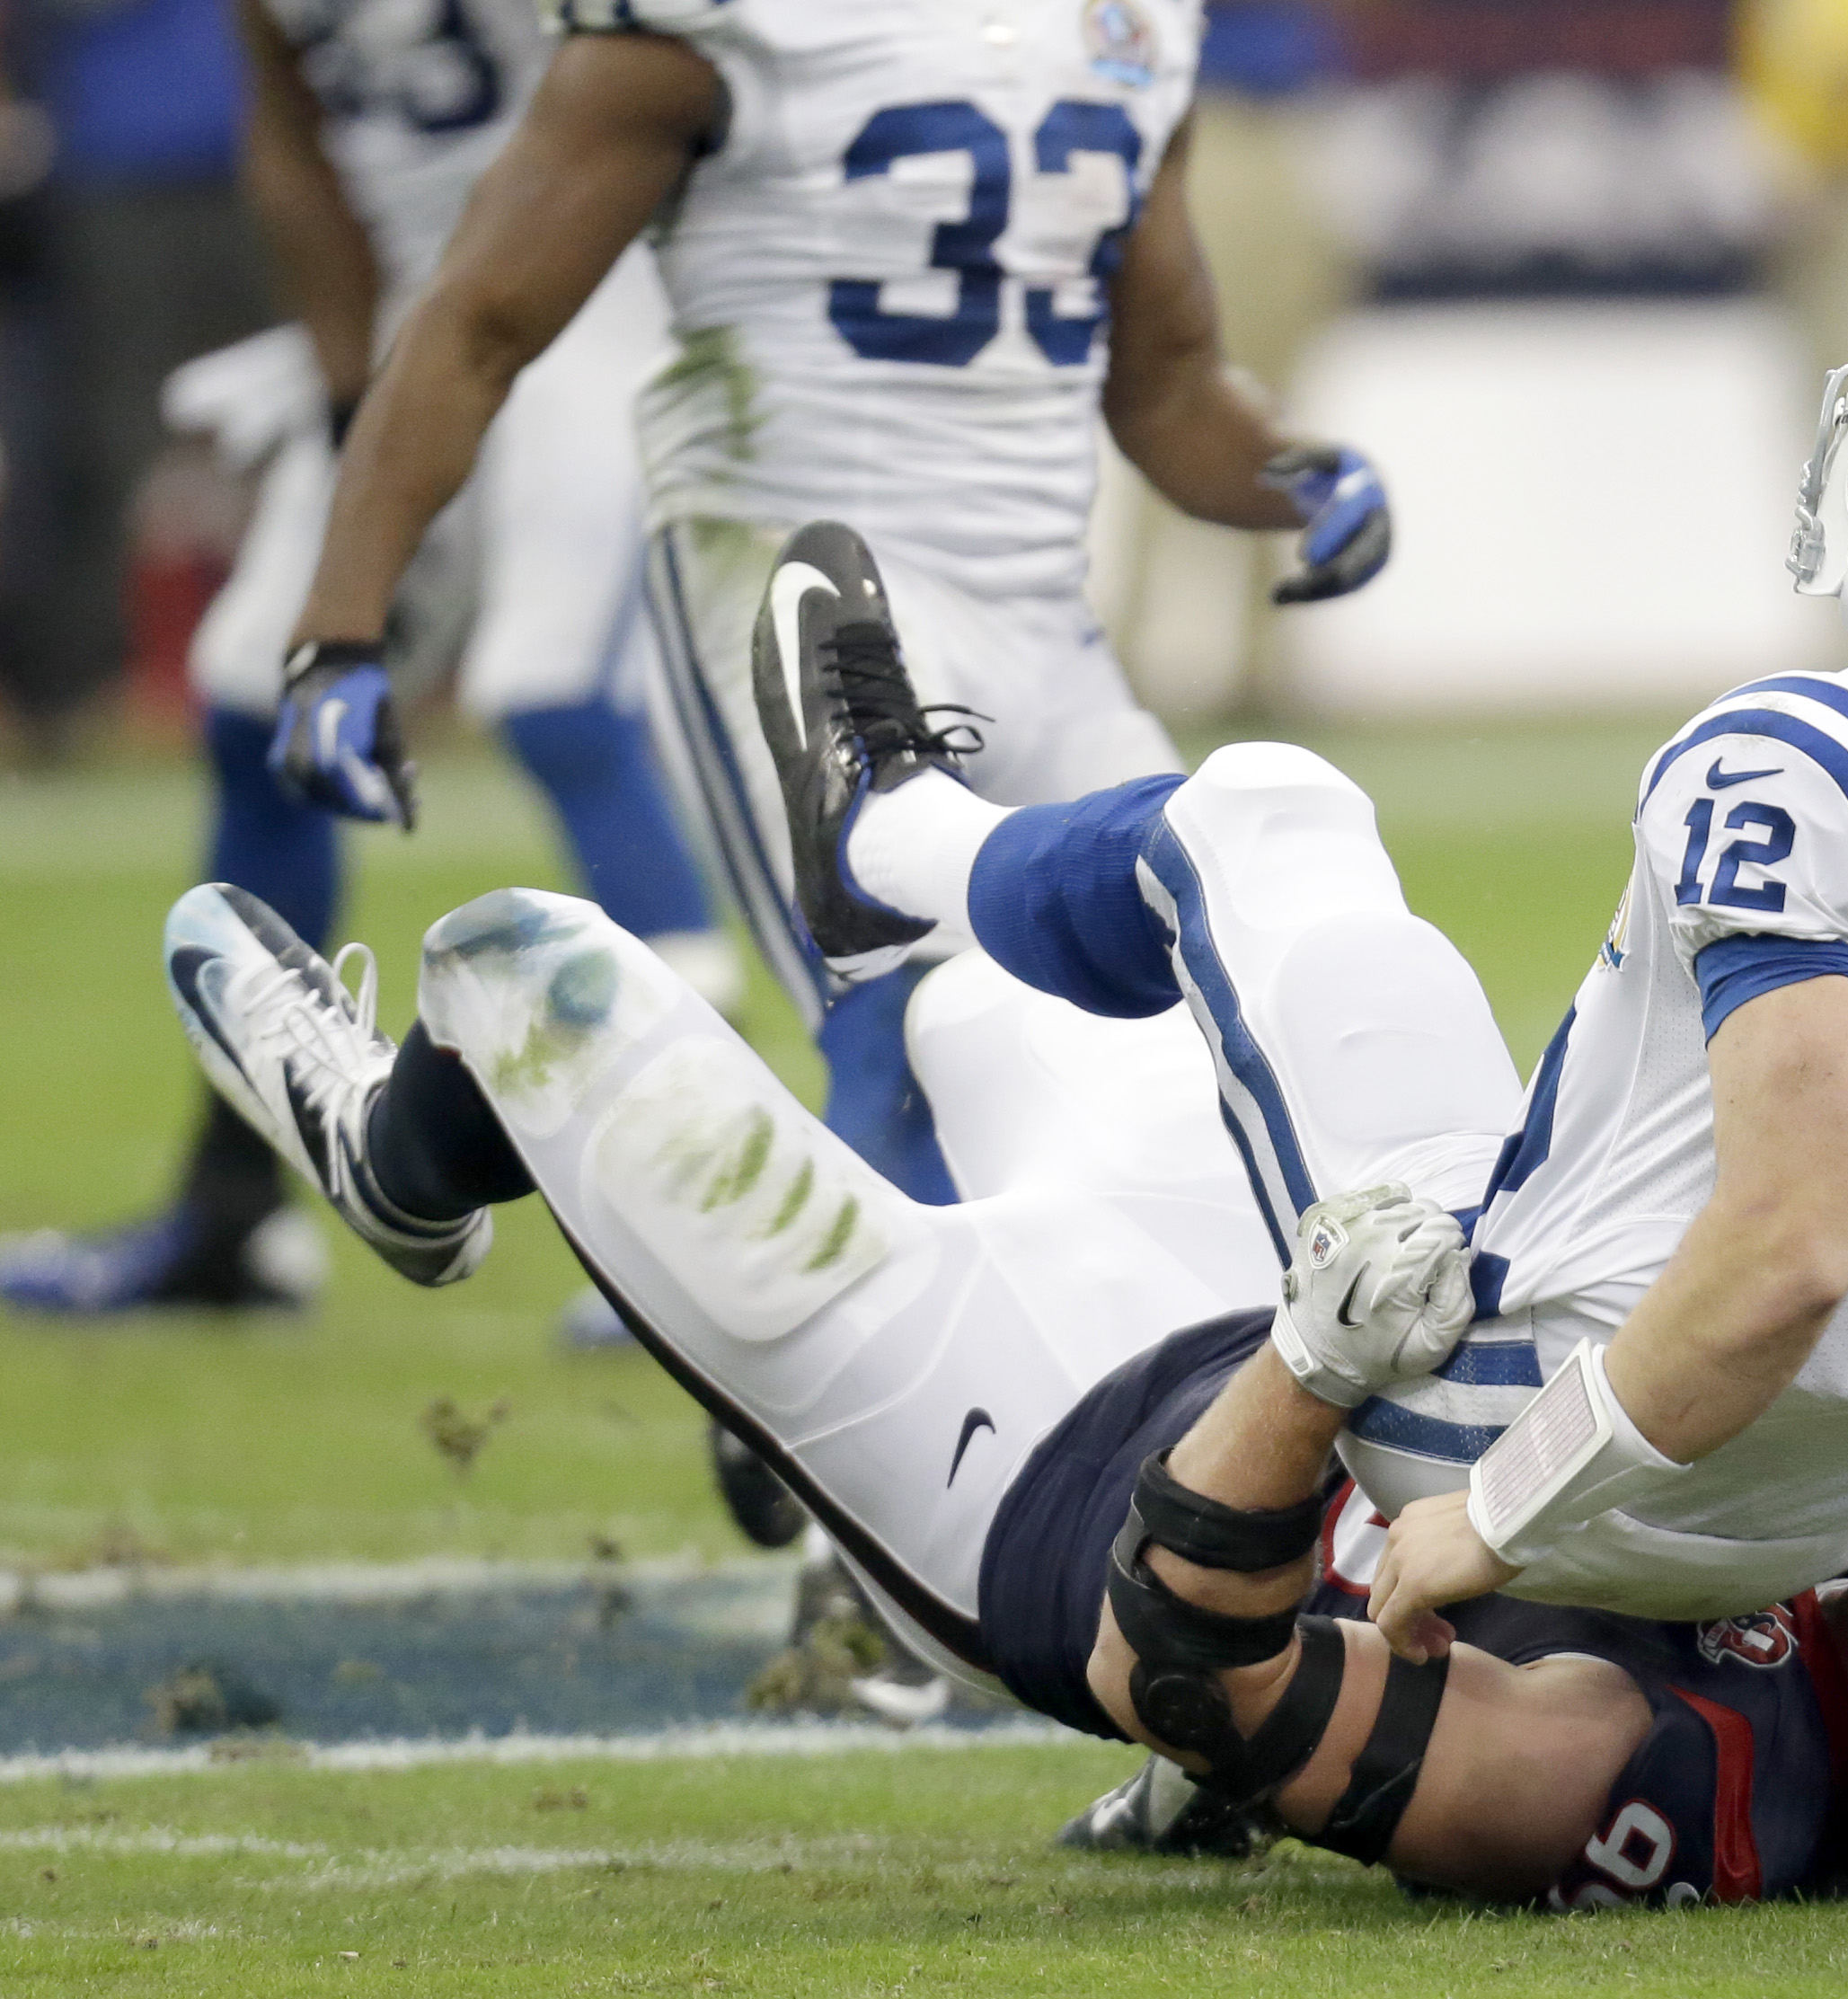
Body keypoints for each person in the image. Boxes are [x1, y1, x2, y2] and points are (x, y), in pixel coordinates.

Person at [147, 865, 1848, 1902]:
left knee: (528, 970)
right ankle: (916, 833)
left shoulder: (1695, 1774)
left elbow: (1200, 1672)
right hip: (1250, 1272)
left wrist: (1306, 1371)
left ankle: (405, 1163)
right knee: (959, 951)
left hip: (1053, 1471)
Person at [742, 262, 1848, 1652]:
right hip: (1845, 1508)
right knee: (1428, 1129)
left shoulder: (1805, 759)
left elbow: (1787, 1255)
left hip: (1558, 1431)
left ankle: (886, 854)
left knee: (1263, 816)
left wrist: (1499, 1516)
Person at [257, 0, 1394, 1225]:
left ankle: (425, 1153)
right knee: (902, 1033)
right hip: (793, 593)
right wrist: (342, 625)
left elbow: (1167, 384)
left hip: (1038, 616)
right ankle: (443, 1173)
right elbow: (479, 320)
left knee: (1204, 1005)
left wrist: (1298, 472)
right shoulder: (718, 25)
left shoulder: (1131, 27)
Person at [0, 0, 729, 1315]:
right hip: (428, 312)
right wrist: (349, 387)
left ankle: (702, 1216)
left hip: (604, 292)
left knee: (557, 698)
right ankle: (235, 1211)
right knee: (250, 704)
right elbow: (292, 140)